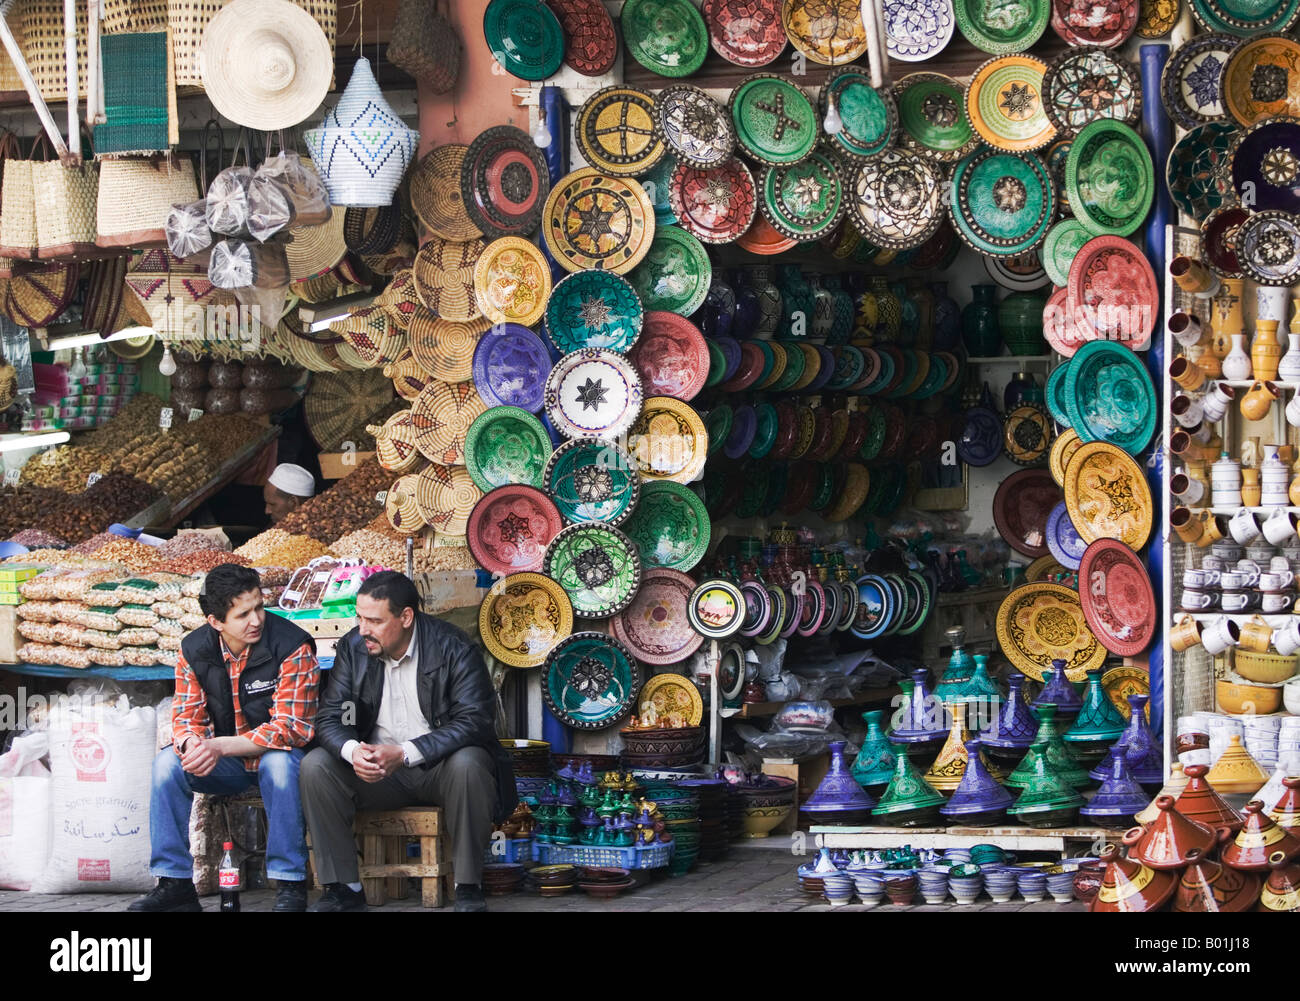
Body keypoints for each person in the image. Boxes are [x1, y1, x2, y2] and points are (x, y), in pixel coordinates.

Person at [301, 570, 518, 913]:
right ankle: (344, 888)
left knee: (469, 763)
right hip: (377, 773)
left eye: (373, 620)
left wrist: (404, 754)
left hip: (437, 768)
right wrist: (354, 751)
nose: (363, 630)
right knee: (316, 766)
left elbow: (474, 720)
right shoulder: (353, 649)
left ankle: (468, 887)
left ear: (405, 617)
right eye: (359, 618)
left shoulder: (454, 647)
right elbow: (331, 718)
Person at [129, 563, 319, 913]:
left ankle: (290, 883)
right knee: (167, 764)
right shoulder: (193, 650)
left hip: (281, 759)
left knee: (278, 763)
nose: (256, 620)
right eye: (243, 614)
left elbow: (291, 727)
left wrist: (217, 746)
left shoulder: (291, 646)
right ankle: (174, 883)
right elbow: (186, 717)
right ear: (216, 621)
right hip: (228, 763)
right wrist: (191, 745)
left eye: (259, 607)